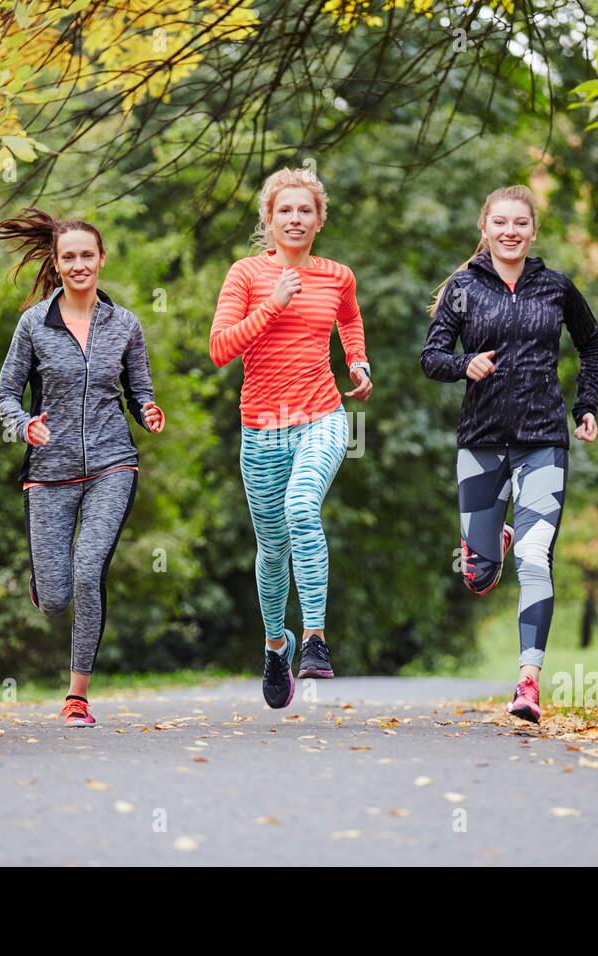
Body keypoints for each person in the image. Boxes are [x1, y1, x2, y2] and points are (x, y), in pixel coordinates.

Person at [420, 185, 598, 723]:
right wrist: (465, 364)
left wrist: (586, 405)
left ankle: (528, 681)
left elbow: (591, 342)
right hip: (480, 442)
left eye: (520, 223)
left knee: (535, 557)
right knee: (478, 576)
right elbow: (432, 357)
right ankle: (492, 545)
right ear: (485, 226)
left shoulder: (555, 287)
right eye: (500, 222)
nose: (510, 231)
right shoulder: (462, 289)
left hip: (543, 439)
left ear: (533, 231)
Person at [0, 208, 165, 726]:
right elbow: (5, 394)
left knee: (90, 573)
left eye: (88, 255)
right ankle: (44, 585)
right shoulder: (33, 326)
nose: (79, 264)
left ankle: (77, 695)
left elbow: (140, 392)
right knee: (55, 598)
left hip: (114, 463)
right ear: (57, 262)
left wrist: (148, 412)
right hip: (48, 472)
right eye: (70, 257)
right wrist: (24, 424)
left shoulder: (126, 324)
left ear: (101, 259)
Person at [209, 168, 372, 709]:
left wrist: (358, 361)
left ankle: (315, 640)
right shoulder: (246, 275)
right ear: (269, 218)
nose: (295, 219)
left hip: (322, 416)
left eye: (305, 211)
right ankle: (275, 644)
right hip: (261, 428)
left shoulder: (337, 276)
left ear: (319, 219)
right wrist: (272, 303)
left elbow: (349, 319)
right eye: (286, 211)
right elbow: (220, 349)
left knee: (303, 507)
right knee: (272, 549)